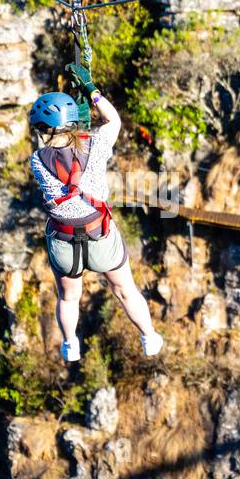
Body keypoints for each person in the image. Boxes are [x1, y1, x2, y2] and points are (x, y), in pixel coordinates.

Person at [29, 76, 164, 363]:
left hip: (65, 243)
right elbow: (113, 120)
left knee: (68, 298)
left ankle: (70, 344)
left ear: (44, 130)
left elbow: (59, 153)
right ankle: (149, 337)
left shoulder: (37, 161)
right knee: (125, 290)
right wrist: (91, 91)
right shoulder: (97, 143)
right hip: (100, 235)